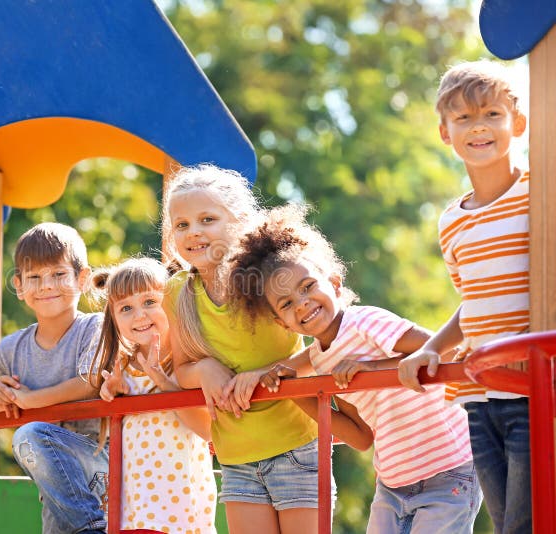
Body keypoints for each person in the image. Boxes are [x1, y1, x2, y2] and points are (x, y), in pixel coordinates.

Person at [227, 204, 481, 534]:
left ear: (334, 283)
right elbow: (360, 437)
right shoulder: (321, 359)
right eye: (287, 303)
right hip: (393, 482)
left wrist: (372, 368)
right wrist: (294, 393)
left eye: (307, 287)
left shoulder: (366, 322)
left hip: (449, 467)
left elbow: (442, 350)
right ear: (281, 322)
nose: (302, 303)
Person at [397, 59, 531, 533]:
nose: (479, 127)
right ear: (444, 133)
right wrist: (433, 347)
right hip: (479, 392)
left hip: (532, 385)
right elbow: (474, 301)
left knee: (527, 522)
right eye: (464, 118)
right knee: (502, 522)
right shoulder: (451, 221)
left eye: (491, 114)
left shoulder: (540, 194)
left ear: (517, 122)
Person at [162, 164, 330, 534]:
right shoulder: (177, 293)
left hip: (296, 448)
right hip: (236, 457)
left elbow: (326, 342)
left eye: (207, 219)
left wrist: (267, 374)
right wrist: (203, 368)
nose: (194, 232)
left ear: (240, 221)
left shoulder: (266, 278)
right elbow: (180, 369)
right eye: (182, 224)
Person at [0, 222, 107, 534]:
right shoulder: (14, 348)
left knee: (29, 436)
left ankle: (93, 527)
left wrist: (29, 400)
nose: (46, 285)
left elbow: (91, 381)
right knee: (31, 439)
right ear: (19, 285)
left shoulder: (95, 328)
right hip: (57, 491)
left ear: (82, 279)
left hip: (100, 462)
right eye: (34, 277)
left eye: (58, 274)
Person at [88, 257, 217, 534]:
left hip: (176, 506)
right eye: (126, 308)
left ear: (171, 302)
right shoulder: (122, 367)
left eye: (149, 302)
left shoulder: (188, 364)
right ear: (113, 317)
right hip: (131, 508)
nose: (139, 315)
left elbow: (208, 430)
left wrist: (163, 382)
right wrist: (111, 394)